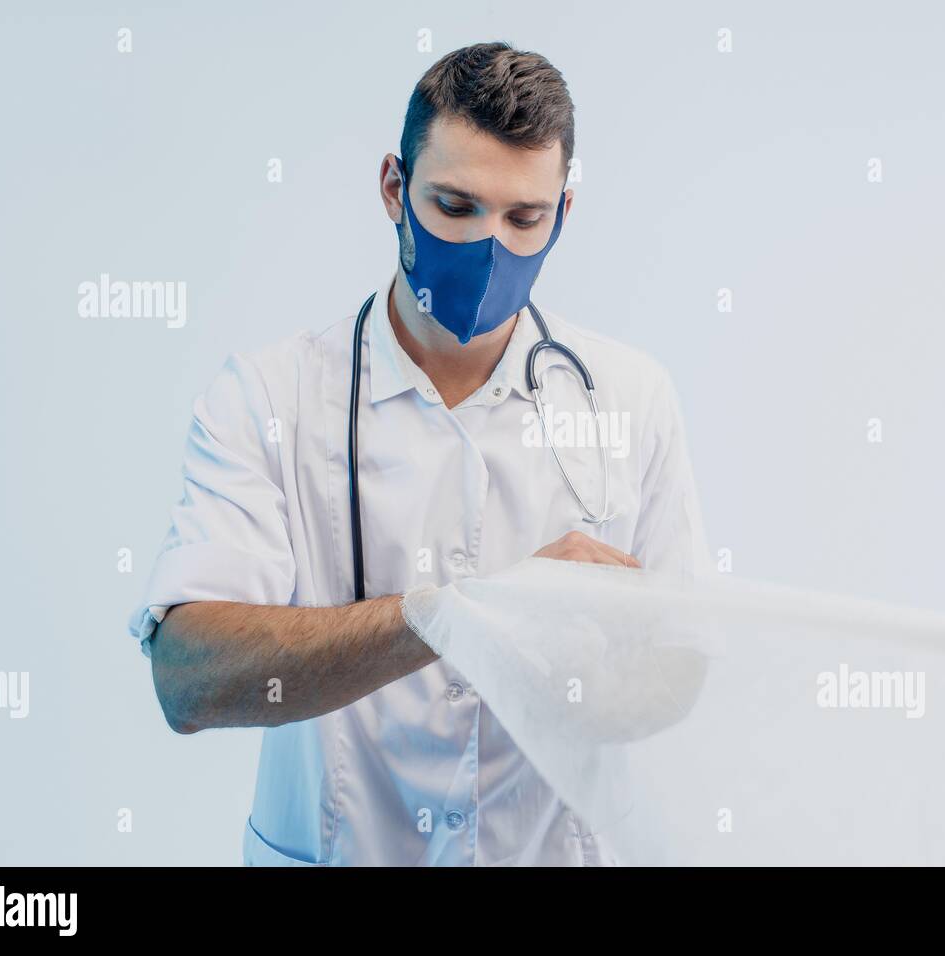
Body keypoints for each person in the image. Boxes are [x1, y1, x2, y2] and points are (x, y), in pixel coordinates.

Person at [128, 40, 708, 866]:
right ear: (395, 191)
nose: (489, 245)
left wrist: (605, 658)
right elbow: (186, 681)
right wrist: (460, 614)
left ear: (563, 216)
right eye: (456, 206)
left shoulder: (631, 396)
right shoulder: (269, 396)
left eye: (524, 219)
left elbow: (680, 671)